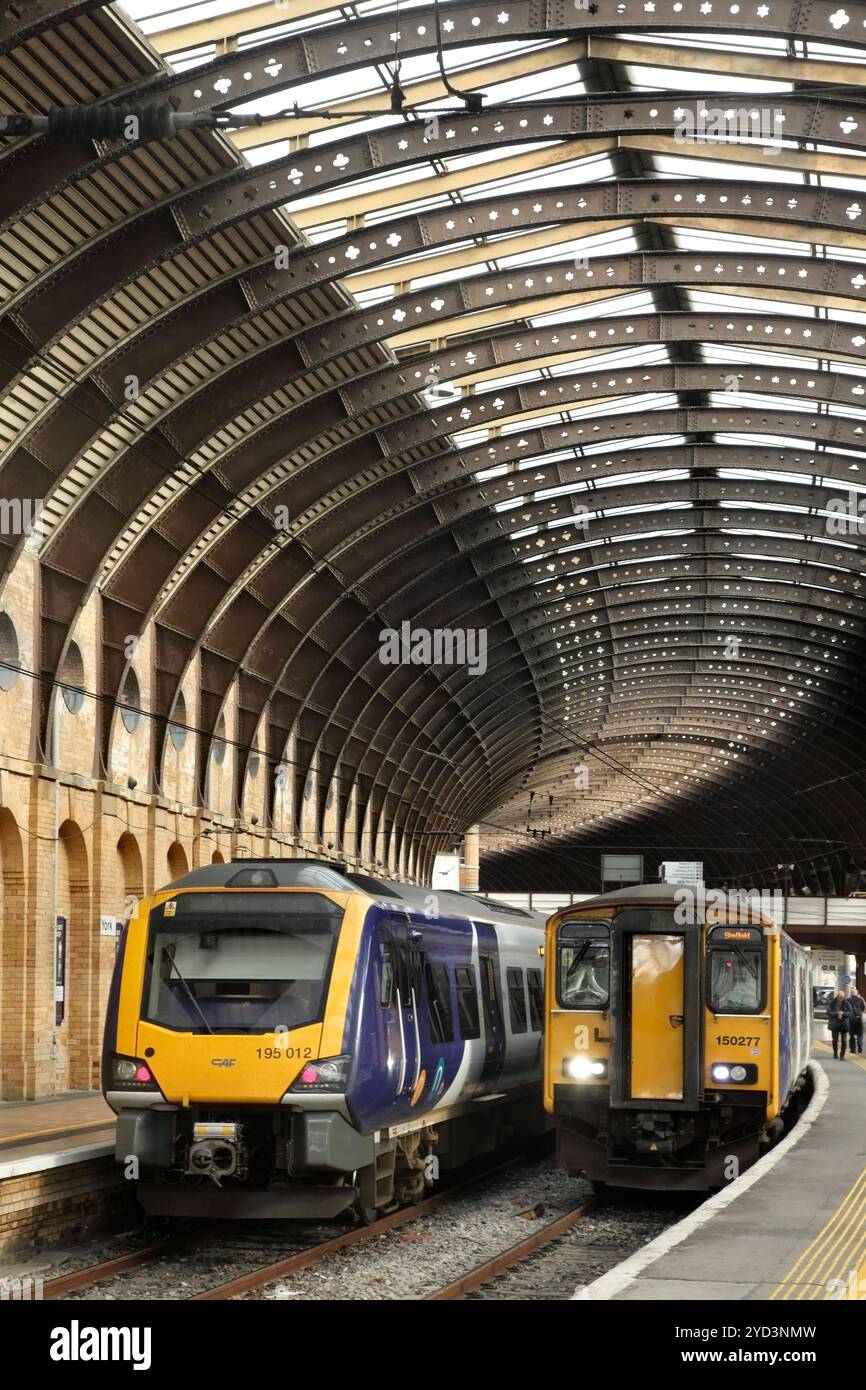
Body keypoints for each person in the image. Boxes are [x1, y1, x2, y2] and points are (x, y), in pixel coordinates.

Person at [828, 990, 853, 1059]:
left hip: (844, 1025)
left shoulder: (847, 1003)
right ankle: (835, 1053)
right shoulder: (832, 1003)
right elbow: (829, 1012)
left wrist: (843, 1013)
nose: (840, 999)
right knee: (835, 1040)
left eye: (842, 997)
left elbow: (850, 1012)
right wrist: (837, 1013)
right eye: (839, 997)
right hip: (835, 1024)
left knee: (844, 1041)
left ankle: (842, 1055)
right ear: (837, 996)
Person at [848, 988, 865, 1055]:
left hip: (851, 1020)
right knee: (860, 1034)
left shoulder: (848, 1000)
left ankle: (853, 1049)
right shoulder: (860, 1000)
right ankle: (859, 1043)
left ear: (851, 993)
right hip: (859, 1019)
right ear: (857, 993)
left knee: (851, 1035)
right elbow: (863, 1008)